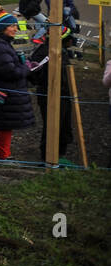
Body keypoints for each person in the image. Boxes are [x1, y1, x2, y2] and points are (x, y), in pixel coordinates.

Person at [0, 9, 34, 160]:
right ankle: (4, 156)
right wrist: (27, 68)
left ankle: (5, 155)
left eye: (16, 26)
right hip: (6, 91)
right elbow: (9, 72)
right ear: (2, 28)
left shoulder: (2, 44)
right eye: (12, 26)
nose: (15, 29)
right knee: (5, 125)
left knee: (6, 125)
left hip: (8, 90)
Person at [27, 26, 75, 163]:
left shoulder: (61, 51)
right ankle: (48, 156)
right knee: (52, 125)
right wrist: (45, 82)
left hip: (63, 94)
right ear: (63, 40)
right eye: (70, 38)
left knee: (64, 124)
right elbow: (32, 71)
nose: (72, 41)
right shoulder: (45, 52)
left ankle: (61, 154)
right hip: (49, 94)